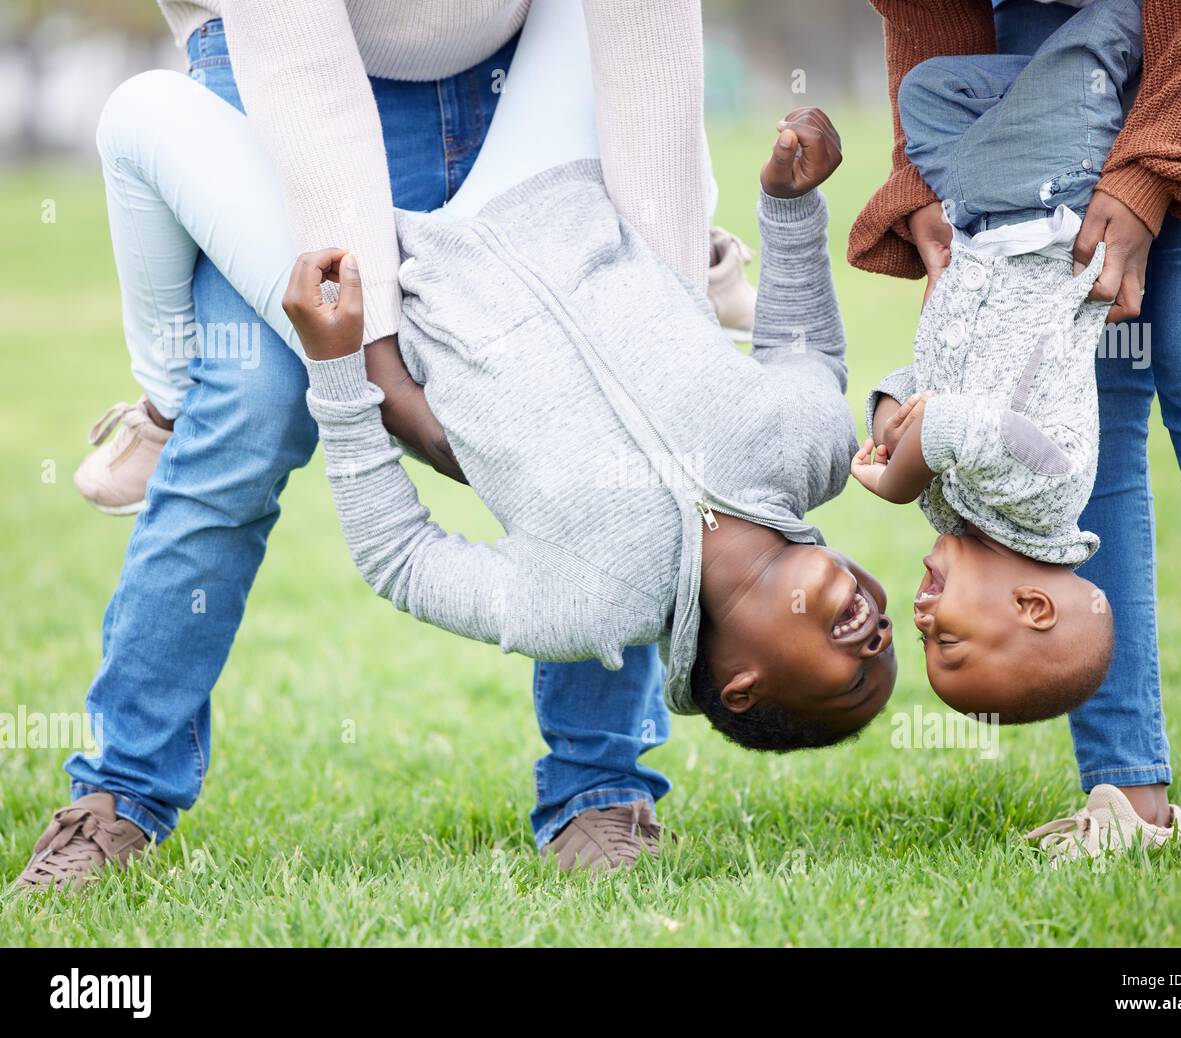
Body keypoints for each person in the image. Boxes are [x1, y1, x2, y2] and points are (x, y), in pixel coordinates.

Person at [19, 0, 716, 893]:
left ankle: (599, 786)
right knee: (251, 406)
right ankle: (119, 793)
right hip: (280, 70)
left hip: (511, 72)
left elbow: (645, 35)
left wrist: (656, 327)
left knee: (598, 393)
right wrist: (382, 375)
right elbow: (307, 72)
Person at [853, 0, 1181, 880]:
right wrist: (935, 178)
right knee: (1089, 382)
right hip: (1046, 26)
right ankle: (1128, 791)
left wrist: (1146, 173)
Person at [850, 0, 1141, 721]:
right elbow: (951, 423)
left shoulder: (954, 513)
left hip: (977, 216)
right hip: (1043, 210)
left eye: (926, 648)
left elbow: (929, 394)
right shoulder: (1048, 495)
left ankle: (1092, 97)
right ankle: (1133, 69)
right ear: (1034, 605)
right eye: (949, 641)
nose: (919, 623)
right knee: (1107, 32)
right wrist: (896, 477)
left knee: (926, 91)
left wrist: (887, 413)